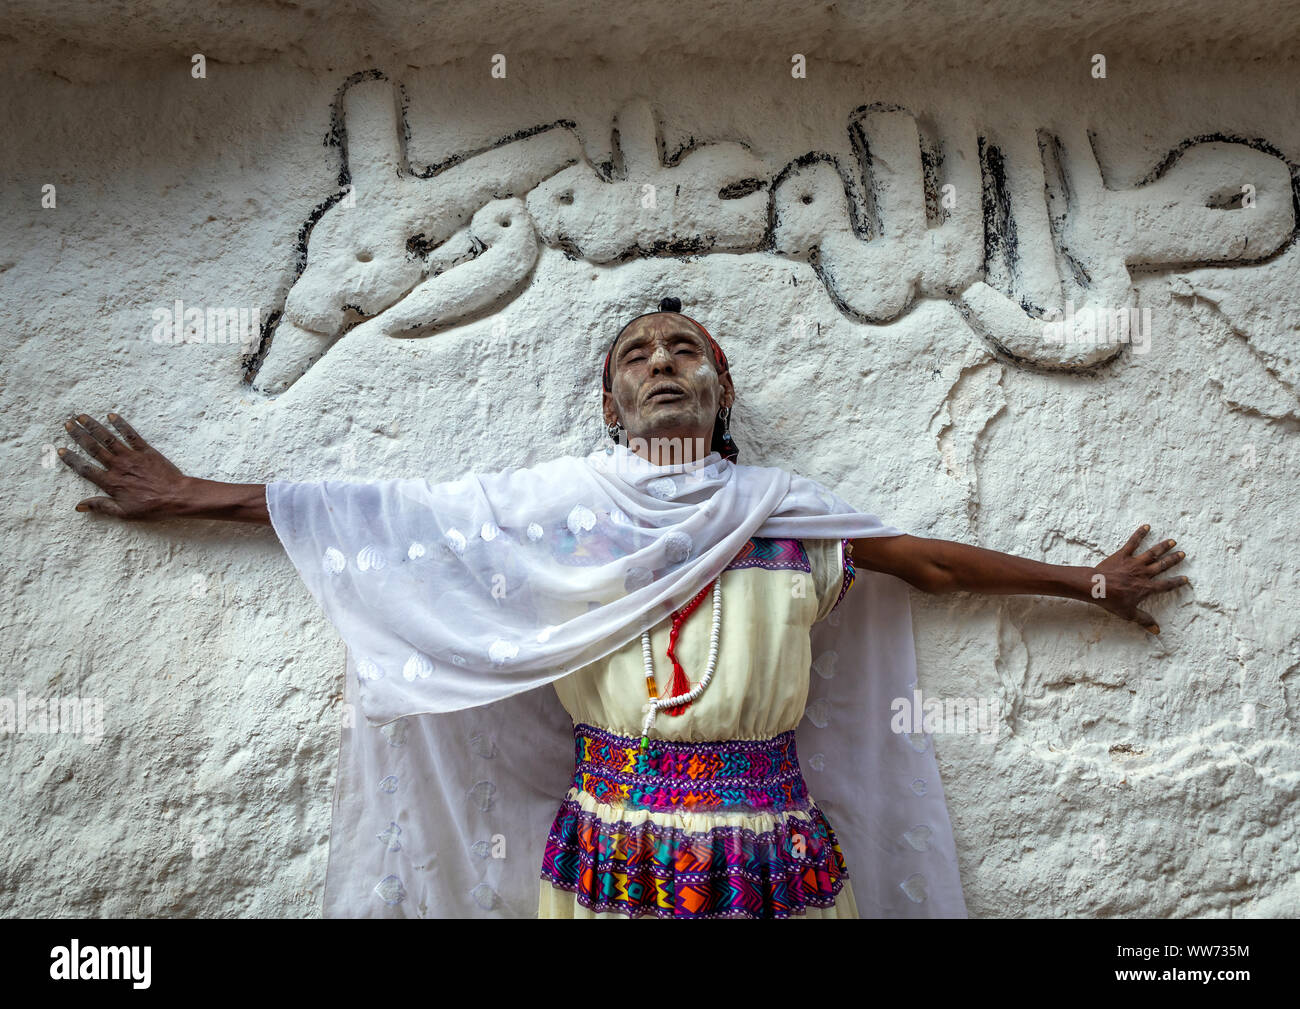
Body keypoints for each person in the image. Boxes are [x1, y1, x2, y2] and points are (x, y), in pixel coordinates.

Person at [58, 297, 1189, 918]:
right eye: (636, 355)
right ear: (608, 398)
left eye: (684, 349)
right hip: (610, 847)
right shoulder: (558, 511)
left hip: (769, 849)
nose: (662, 364)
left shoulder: (779, 513)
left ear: (721, 387)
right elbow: (390, 520)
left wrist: (1088, 581)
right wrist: (192, 492)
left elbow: (931, 568)